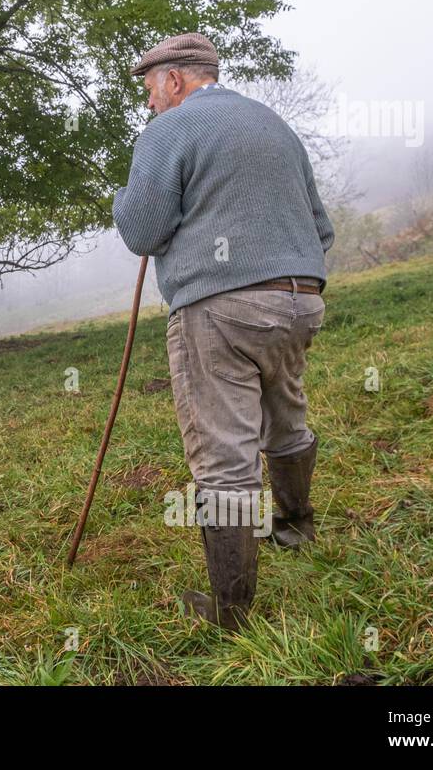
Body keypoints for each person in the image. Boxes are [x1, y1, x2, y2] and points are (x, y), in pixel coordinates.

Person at [112, 32, 334, 630]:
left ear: (176, 80)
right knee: (286, 414)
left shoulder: (168, 130)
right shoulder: (273, 126)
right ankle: (295, 527)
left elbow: (141, 229)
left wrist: (120, 198)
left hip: (220, 308)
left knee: (224, 457)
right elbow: (321, 226)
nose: (150, 103)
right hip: (300, 300)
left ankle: (232, 613)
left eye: (152, 89)